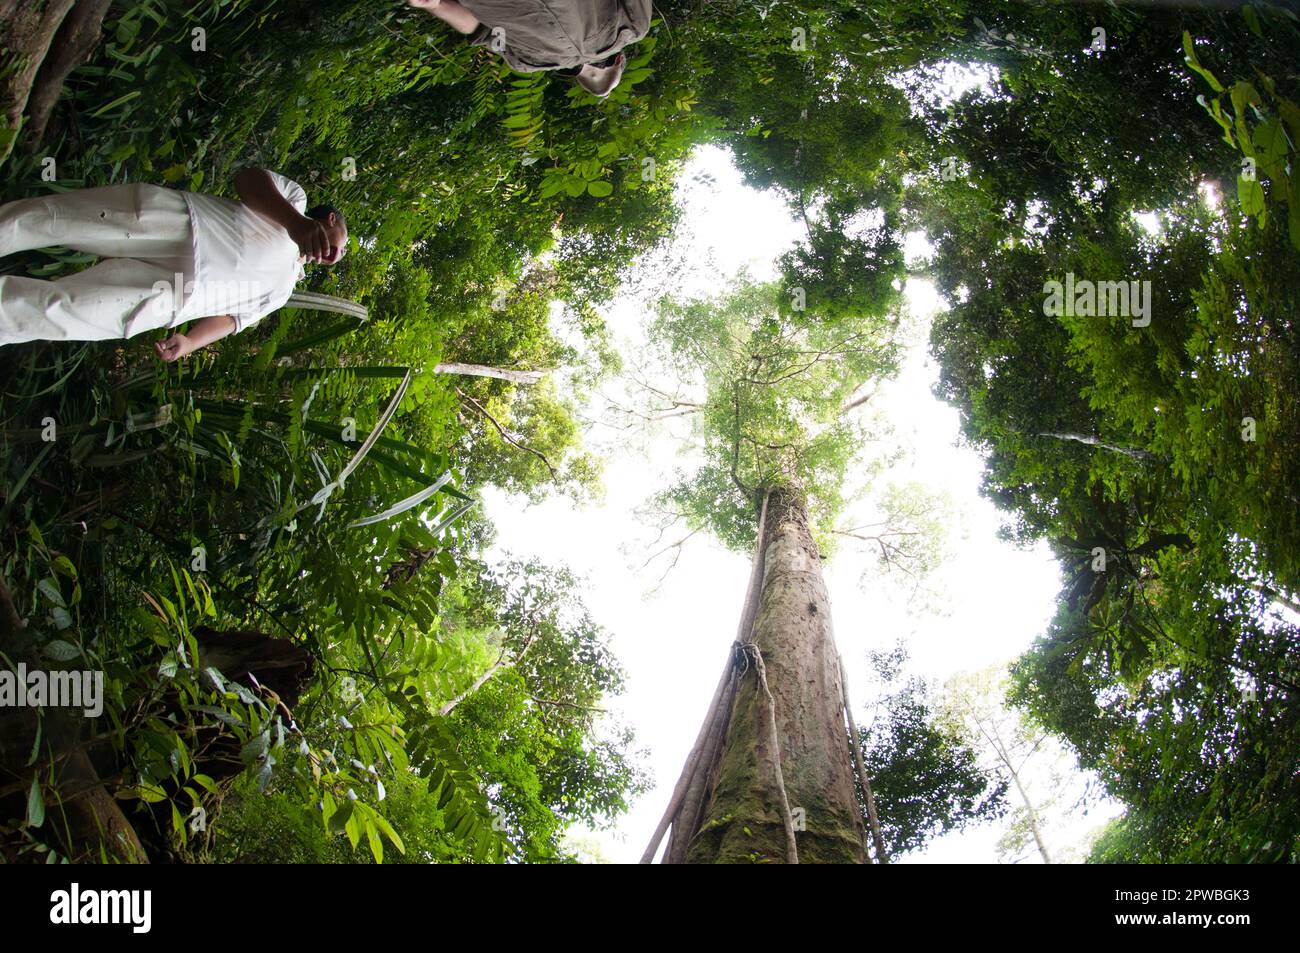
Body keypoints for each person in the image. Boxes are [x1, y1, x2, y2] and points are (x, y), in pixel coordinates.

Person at [0, 168, 347, 362]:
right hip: (180, 224)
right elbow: (247, 180)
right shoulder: (295, 201)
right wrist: (295, 223)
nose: (337, 255)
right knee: (57, 221)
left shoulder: (283, 290)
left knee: (64, 313)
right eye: (342, 245)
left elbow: (233, 320)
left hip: (172, 295)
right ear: (331, 220)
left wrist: (191, 342)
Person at [407, 0, 652, 98]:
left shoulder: (632, 28)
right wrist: (436, 5)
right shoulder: (528, 62)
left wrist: (435, 5)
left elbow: (480, 30)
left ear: (619, 60)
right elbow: (480, 30)